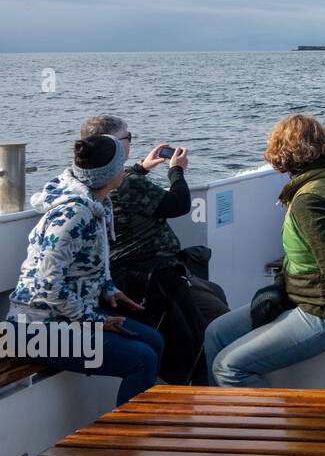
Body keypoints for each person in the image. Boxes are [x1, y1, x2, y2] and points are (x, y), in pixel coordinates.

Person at [204, 115, 325, 385]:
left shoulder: (309, 200)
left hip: (324, 311)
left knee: (228, 367)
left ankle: (262, 426)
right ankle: (221, 414)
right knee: (215, 333)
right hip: (301, 298)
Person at [5, 134, 163, 406]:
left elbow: (86, 264)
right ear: (111, 172)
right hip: (32, 329)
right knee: (142, 359)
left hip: (62, 317)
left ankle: (137, 425)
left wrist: (108, 289)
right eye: (120, 161)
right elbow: (46, 285)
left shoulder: (96, 202)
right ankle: (126, 441)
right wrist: (96, 321)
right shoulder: (72, 215)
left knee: (155, 340)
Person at [79, 114, 229, 384]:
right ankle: (208, 384)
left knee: (213, 293)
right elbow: (179, 204)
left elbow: (124, 186)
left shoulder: (90, 182)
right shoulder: (128, 185)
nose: (130, 142)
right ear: (112, 145)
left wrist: (141, 168)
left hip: (126, 275)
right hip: (149, 277)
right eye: (128, 138)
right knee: (219, 320)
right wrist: (177, 170)